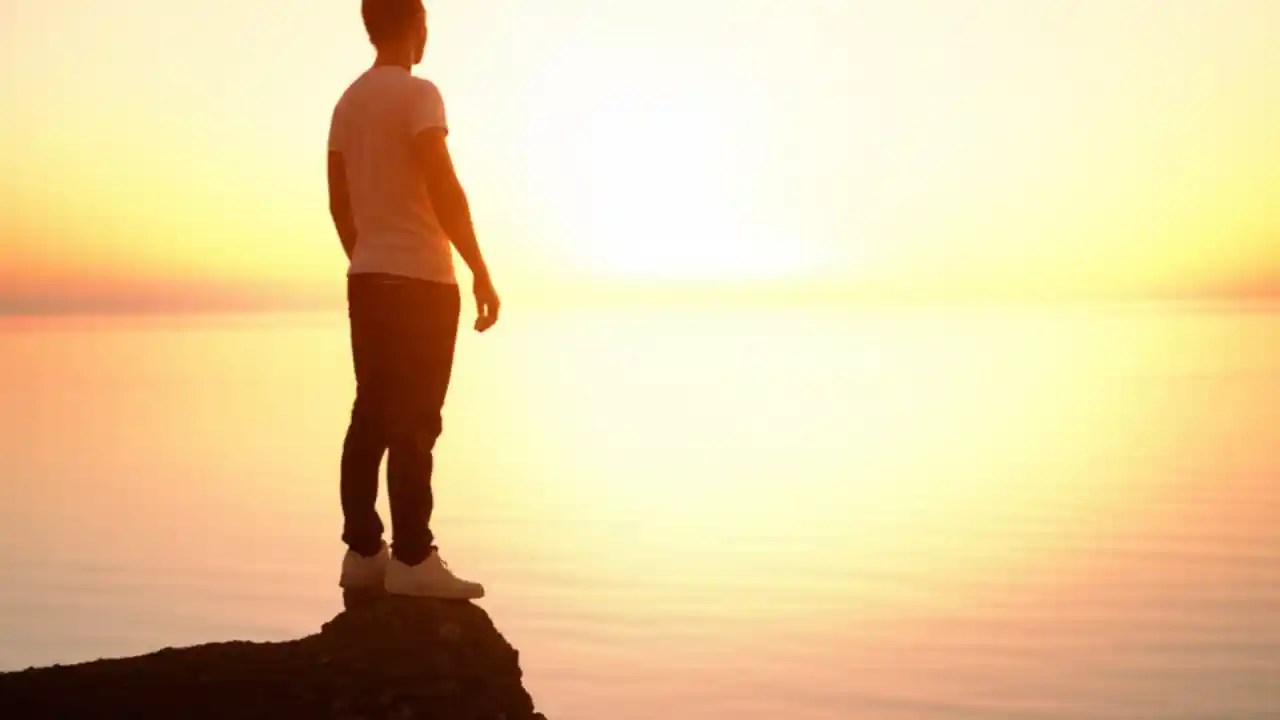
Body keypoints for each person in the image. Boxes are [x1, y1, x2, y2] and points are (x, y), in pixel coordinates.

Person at [327, 0, 499, 599]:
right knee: (416, 422)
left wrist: (366, 255)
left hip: (368, 278)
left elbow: (338, 201)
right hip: (423, 282)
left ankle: (363, 551)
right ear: (414, 28)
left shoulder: (347, 102)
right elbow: (442, 182)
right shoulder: (420, 94)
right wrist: (479, 267)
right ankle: (412, 559)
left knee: (370, 413)